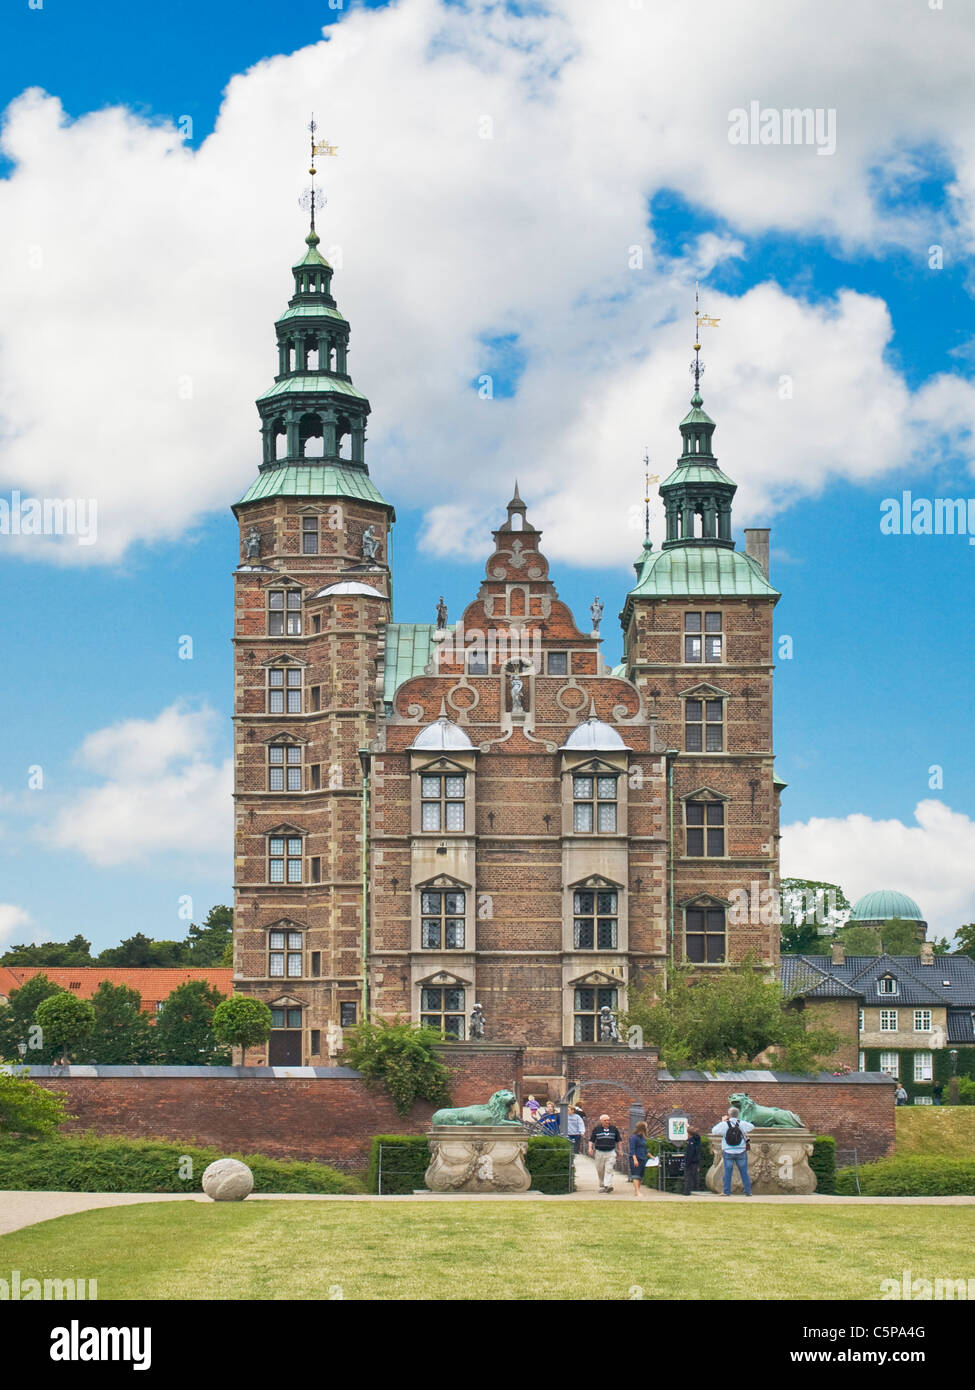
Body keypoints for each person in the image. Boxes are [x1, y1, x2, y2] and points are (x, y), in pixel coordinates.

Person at [711, 1106, 754, 1196]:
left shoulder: (725, 1124)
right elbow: (752, 1127)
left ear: (729, 1114)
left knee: (727, 1172)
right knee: (744, 1172)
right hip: (741, 1150)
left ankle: (726, 1191)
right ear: (738, 1114)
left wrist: (723, 1121)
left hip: (728, 1150)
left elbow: (714, 1130)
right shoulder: (741, 1123)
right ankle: (748, 1191)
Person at [589, 1113, 622, 1192]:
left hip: (610, 1152)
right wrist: (590, 1148)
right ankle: (602, 1184)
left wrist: (620, 1150)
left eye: (608, 1120)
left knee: (609, 1168)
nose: (607, 1122)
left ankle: (608, 1185)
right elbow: (592, 1140)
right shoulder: (597, 1129)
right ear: (601, 1121)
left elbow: (619, 1140)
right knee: (600, 1169)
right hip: (599, 1152)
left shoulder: (614, 1129)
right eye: (605, 1120)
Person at [628, 1120, 649, 1197]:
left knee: (640, 1175)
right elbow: (632, 1149)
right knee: (636, 1175)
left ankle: (637, 1190)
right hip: (636, 1158)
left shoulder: (643, 1138)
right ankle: (637, 1191)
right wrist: (635, 1159)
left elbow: (645, 1149)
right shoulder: (634, 1137)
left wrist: (651, 1157)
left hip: (642, 1158)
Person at [683, 1129, 701, 1194]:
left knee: (688, 1177)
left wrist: (687, 1163)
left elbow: (689, 1153)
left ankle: (687, 1191)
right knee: (695, 1177)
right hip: (696, 1161)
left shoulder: (690, 1142)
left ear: (689, 1134)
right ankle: (696, 1191)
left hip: (690, 1162)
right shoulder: (697, 1140)